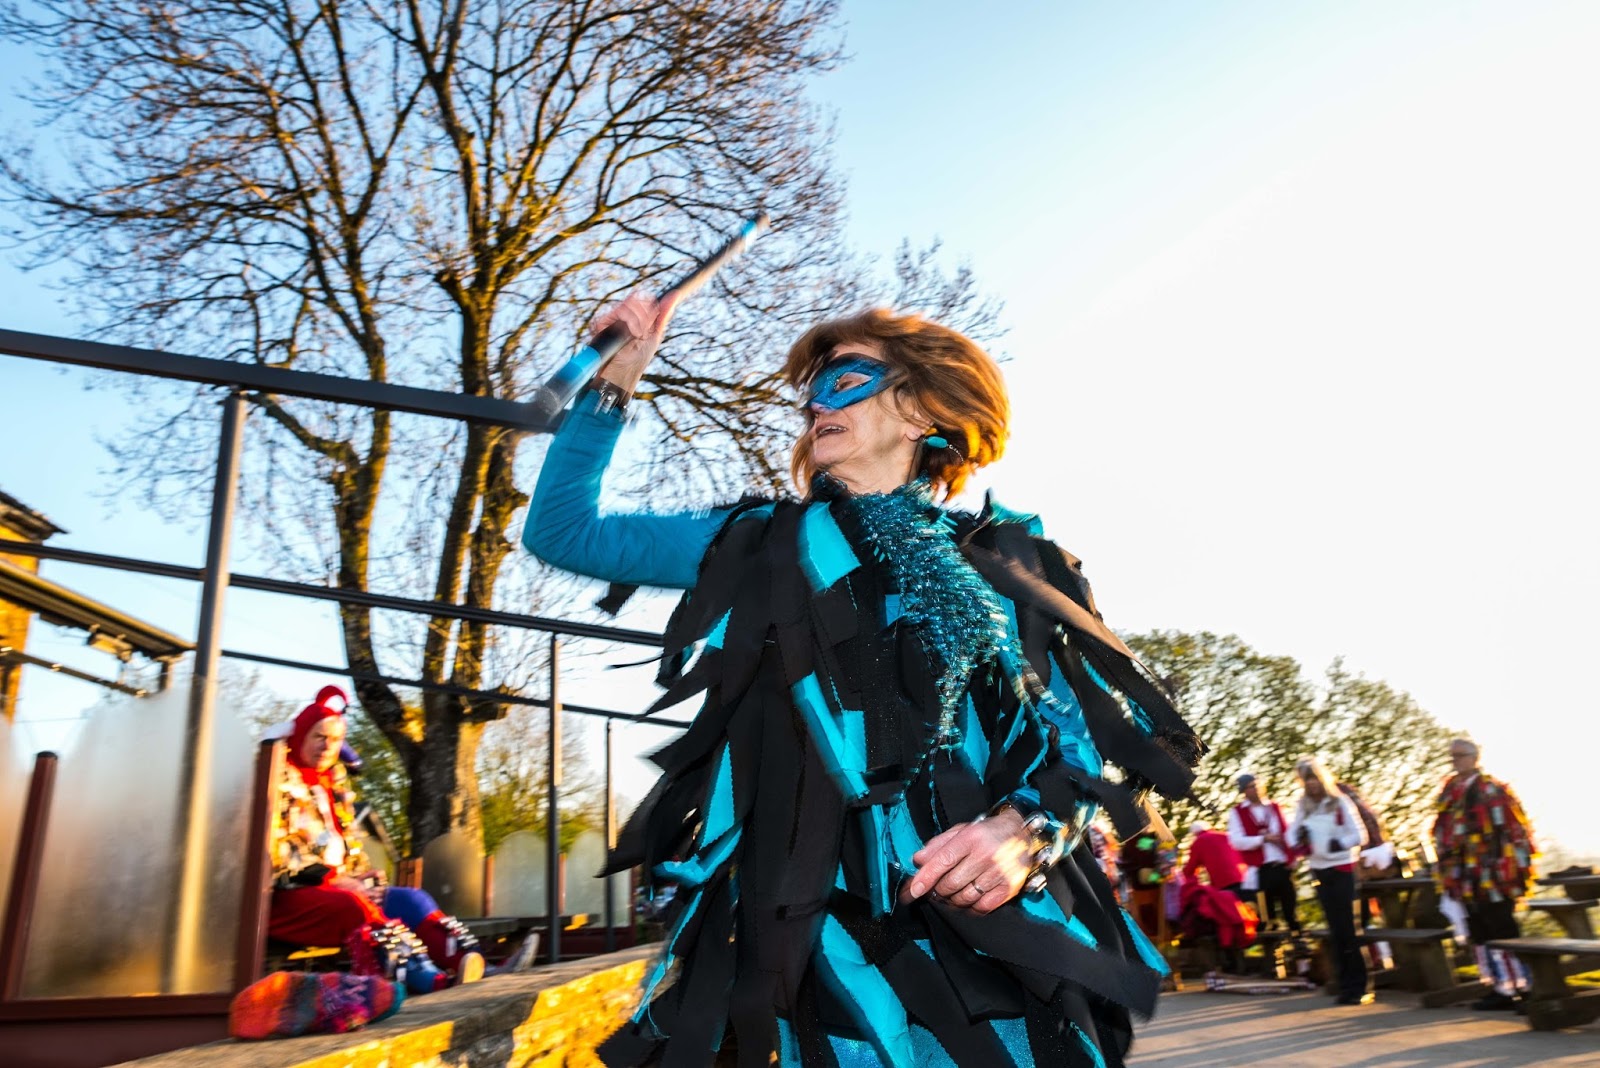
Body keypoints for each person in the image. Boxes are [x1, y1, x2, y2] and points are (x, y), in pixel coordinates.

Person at [523, 294, 1204, 1067]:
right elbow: (562, 531)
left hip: (990, 948)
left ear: (921, 409)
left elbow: (1093, 750)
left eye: (844, 379)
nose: (816, 402)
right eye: (811, 390)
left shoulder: (1019, 569)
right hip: (812, 945)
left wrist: (1024, 834)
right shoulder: (758, 543)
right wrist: (615, 384)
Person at [268, 685, 485, 993]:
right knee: (354, 905)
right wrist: (334, 880)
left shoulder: (333, 788)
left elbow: (342, 852)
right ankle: (426, 979)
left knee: (410, 899)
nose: (327, 747)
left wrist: (361, 877)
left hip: (337, 890)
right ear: (301, 735)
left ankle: (472, 963)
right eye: (319, 737)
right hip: (288, 899)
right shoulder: (276, 782)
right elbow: (280, 857)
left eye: (336, 740)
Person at [1431, 738, 1535, 1011]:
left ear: (1476, 757)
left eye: (1460, 755)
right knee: (1479, 932)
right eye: (1452, 756)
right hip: (1464, 876)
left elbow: (1514, 832)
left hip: (1495, 875)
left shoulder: (1492, 790)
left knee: (1503, 929)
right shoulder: (1450, 791)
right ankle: (1499, 987)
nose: (1455, 760)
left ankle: (1526, 988)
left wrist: (1507, 869)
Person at [1287, 757, 1370, 1005]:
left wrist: (1339, 844)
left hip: (1342, 868)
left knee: (1348, 930)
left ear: (1321, 778)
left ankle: (1360, 986)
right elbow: (1291, 834)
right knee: (1335, 930)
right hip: (1319, 870)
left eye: (1313, 777)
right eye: (1306, 779)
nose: (1311, 783)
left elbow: (1359, 835)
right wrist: (1299, 838)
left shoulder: (1339, 801)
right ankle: (1345, 985)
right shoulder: (1304, 805)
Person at [1226, 772, 1300, 933]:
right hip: (1261, 869)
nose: (1256, 789)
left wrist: (1293, 856)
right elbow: (1236, 841)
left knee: (1291, 913)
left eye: (1257, 785)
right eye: (1251, 787)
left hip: (1282, 865)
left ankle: (1300, 945)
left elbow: (1288, 833)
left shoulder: (1275, 807)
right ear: (1244, 791)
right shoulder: (1238, 812)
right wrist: (1263, 839)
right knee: (1267, 918)